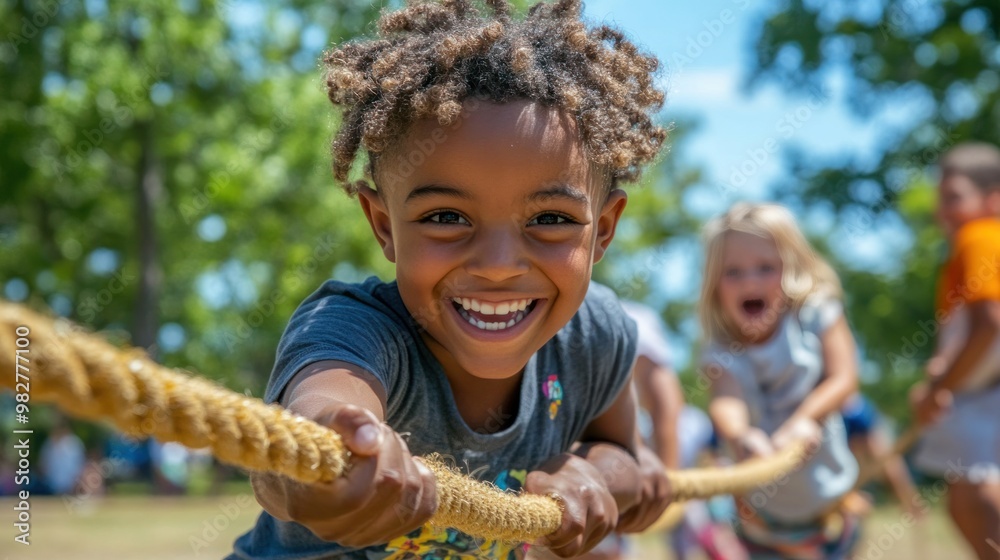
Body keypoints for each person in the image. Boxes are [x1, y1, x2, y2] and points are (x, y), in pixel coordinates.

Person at [230, 1, 672, 558]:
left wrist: (593, 472)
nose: (498, 265)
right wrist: (338, 448)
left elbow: (623, 453)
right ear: (383, 225)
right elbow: (296, 444)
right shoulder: (355, 332)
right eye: (445, 217)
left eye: (550, 219)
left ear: (602, 229)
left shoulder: (594, 338)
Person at [699, 202, 861, 559]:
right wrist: (740, 435)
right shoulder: (721, 348)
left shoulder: (814, 315)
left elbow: (844, 377)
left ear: (792, 268)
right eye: (733, 272)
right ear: (714, 284)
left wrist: (805, 419)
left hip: (828, 503)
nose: (750, 281)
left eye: (766, 268)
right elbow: (726, 398)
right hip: (764, 520)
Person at [910, 142, 1000, 560]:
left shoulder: (978, 237)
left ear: (993, 199)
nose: (941, 211)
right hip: (978, 388)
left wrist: (941, 386)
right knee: (963, 499)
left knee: (977, 495)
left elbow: (990, 323)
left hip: (983, 394)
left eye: (954, 198)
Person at [840, 393, 921, 518]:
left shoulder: (855, 411)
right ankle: (912, 506)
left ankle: (912, 507)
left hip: (857, 419)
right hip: (851, 423)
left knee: (887, 462)